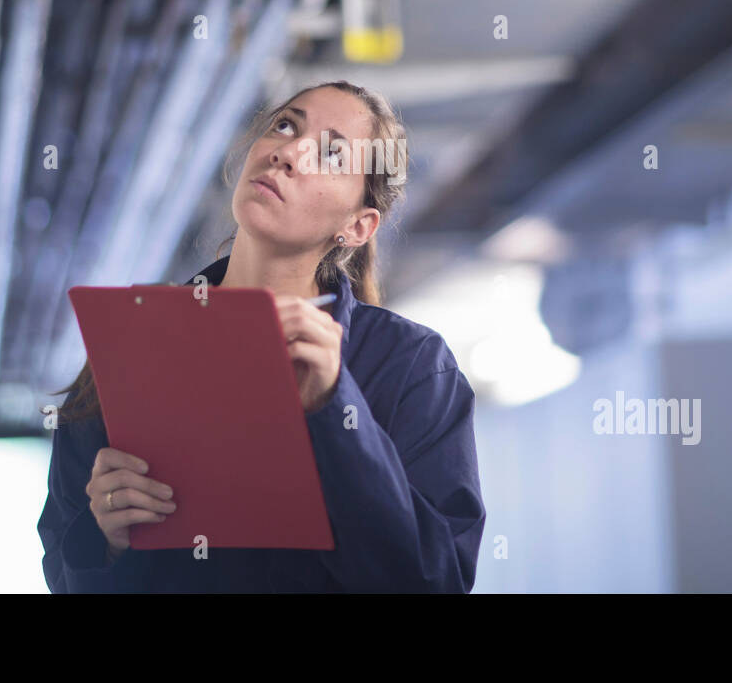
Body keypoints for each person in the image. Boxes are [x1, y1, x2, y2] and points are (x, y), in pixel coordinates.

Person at [37, 80, 486, 592]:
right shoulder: (127, 348)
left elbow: (435, 581)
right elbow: (64, 574)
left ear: (358, 226)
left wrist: (335, 410)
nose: (288, 152)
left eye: (332, 155)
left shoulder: (411, 367)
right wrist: (104, 540)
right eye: (285, 125)